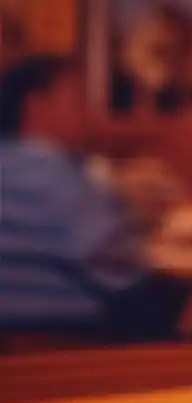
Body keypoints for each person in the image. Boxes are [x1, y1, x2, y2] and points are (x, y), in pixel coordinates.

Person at [0, 54, 145, 330]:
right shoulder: (52, 173)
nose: (89, 115)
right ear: (37, 105)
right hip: (66, 344)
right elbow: (121, 273)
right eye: (79, 102)